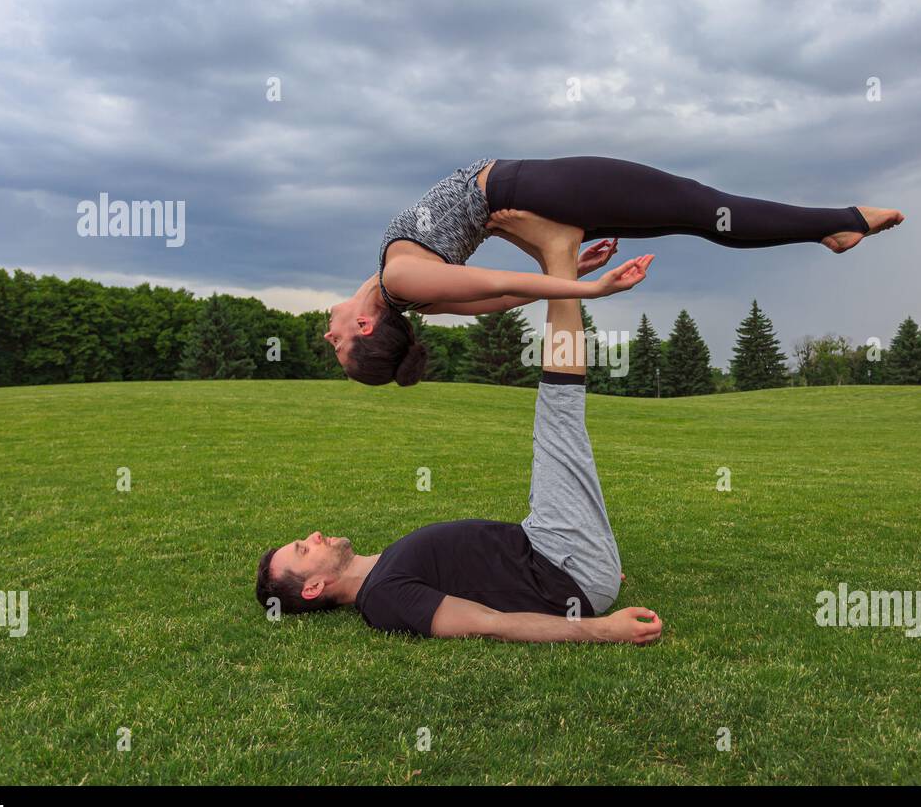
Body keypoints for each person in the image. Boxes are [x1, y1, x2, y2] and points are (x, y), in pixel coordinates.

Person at [257, 225, 663, 645]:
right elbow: (488, 622)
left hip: (557, 555)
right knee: (558, 417)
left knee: (559, 425)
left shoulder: (380, 567)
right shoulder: (383, 599)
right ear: (313, 588)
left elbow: (487, 570)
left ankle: (563, 271)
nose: (314, 536)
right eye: (304, 551)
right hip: (559, 562)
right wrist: (601, 629)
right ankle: (558, 252)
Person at [324, 156, 904, 385]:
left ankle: (830, 228)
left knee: (695, 212)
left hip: (539, 195)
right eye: (339, 346)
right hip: (532, 187)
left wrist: (571, 266)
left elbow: (499, 297)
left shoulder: (404, 291)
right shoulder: (403, 284)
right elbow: (504, 288)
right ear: (367, 329)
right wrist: (585, 285)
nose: (329, 336)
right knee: (695, 204)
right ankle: (841, 222)